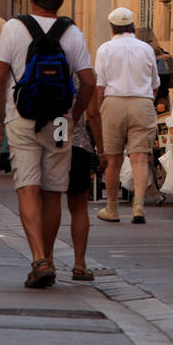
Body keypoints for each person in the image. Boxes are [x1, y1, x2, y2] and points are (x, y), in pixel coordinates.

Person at [0, 0, 95, 288]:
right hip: (60, 120)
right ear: (60, 1)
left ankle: (39, 259)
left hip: (22, 115)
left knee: (27, 187)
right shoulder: (72, 31)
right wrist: (73, 116)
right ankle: (46, 257)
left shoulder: (14, 27)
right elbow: (88, 81)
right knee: (52, 193)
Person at [95, 7, 159, 225]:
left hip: (113, 103)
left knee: (113, 160)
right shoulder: (146, 49)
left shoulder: (104, 49)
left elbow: (100, 86)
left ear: (111, 27)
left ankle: (112, 209)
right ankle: (138, 206)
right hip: (142, 103)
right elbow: (155, 84)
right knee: (140, 158)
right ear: (132, 26)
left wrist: (97, 110)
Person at [67, 82, 104, 281]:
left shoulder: (35, 54)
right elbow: (93, 113)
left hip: (46, 142)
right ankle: (79, 264)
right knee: (79, 206)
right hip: (77, 142)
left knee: (49, 201)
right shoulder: (82, 68)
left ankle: (45, 260)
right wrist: (101, 149)